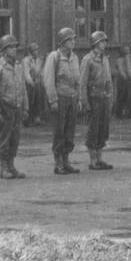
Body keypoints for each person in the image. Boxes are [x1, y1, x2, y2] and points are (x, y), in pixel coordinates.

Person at [0, 34, 28, 179]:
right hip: (5, 108)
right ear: (4, 50)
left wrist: (25, 107)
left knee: (15, 139)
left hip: (17, 107)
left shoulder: (18, 66)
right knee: (4, 138)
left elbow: (23, 88)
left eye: (15, 47)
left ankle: (11, 165)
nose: (14, 49)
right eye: (11, 47)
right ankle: (3, 168)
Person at [43, 27, 82, 175]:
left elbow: (77, 80)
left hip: (72, 98)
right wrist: (53, 100)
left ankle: (66, 161)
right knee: (59, 131)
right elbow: (48, 79)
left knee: (70, 131)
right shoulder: (54, 57)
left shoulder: (75, 58)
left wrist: (78, 99)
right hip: (60, 98)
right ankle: (58, 162)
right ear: (62, 42)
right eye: (69, 40)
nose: (73, 42)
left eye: (73, 39)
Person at [79, 31, 115, 170]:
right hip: (93, 97)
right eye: (102, 41)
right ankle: (93, 160)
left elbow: (109, 79)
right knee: (93, 129)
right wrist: (84, 102)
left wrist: (111, 96)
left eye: (105, 41)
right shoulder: (88, 60)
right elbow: (82, 82)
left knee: (103, 128)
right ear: (95, 44)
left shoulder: (105, 59)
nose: (104, 44)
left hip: (104, 96)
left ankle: (100, 158)